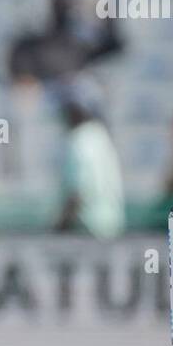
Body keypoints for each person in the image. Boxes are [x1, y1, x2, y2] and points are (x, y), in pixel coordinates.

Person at [53, 77, 124, 239]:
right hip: (111, 229)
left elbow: (78, 194)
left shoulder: (80, 140)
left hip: (88, 233)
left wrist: (58, 228)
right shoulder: (100, 136)